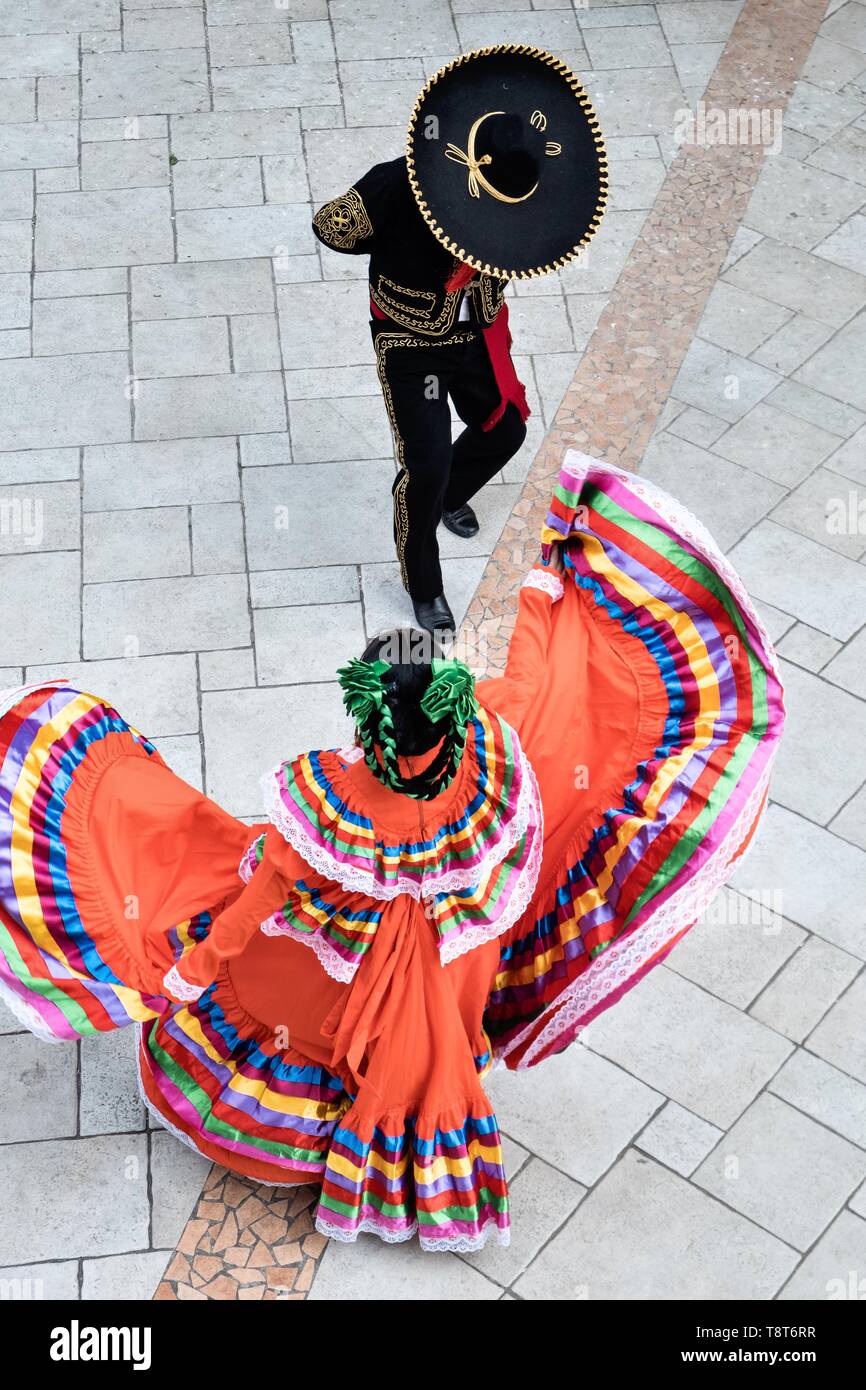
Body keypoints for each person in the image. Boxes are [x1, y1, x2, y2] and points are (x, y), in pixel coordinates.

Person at [0, 452, 784, 1253]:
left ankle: (282, 1120)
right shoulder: (488, 758)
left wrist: (183, 975)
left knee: (246, 944)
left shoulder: (327, 816)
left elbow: (245, 917)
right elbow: (530, 681)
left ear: (365, 718)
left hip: (345, 982)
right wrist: (546, 594)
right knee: (415, 1003)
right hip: (436, 975)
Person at [311, 44, 608, 636]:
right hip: (410, 339)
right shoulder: (397, 183)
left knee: (509, 427)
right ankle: (425, 583)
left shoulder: (525, 189)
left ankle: (452, 493)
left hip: (475, 327)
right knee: (425, 464)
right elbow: (331, 227)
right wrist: (389, 236)